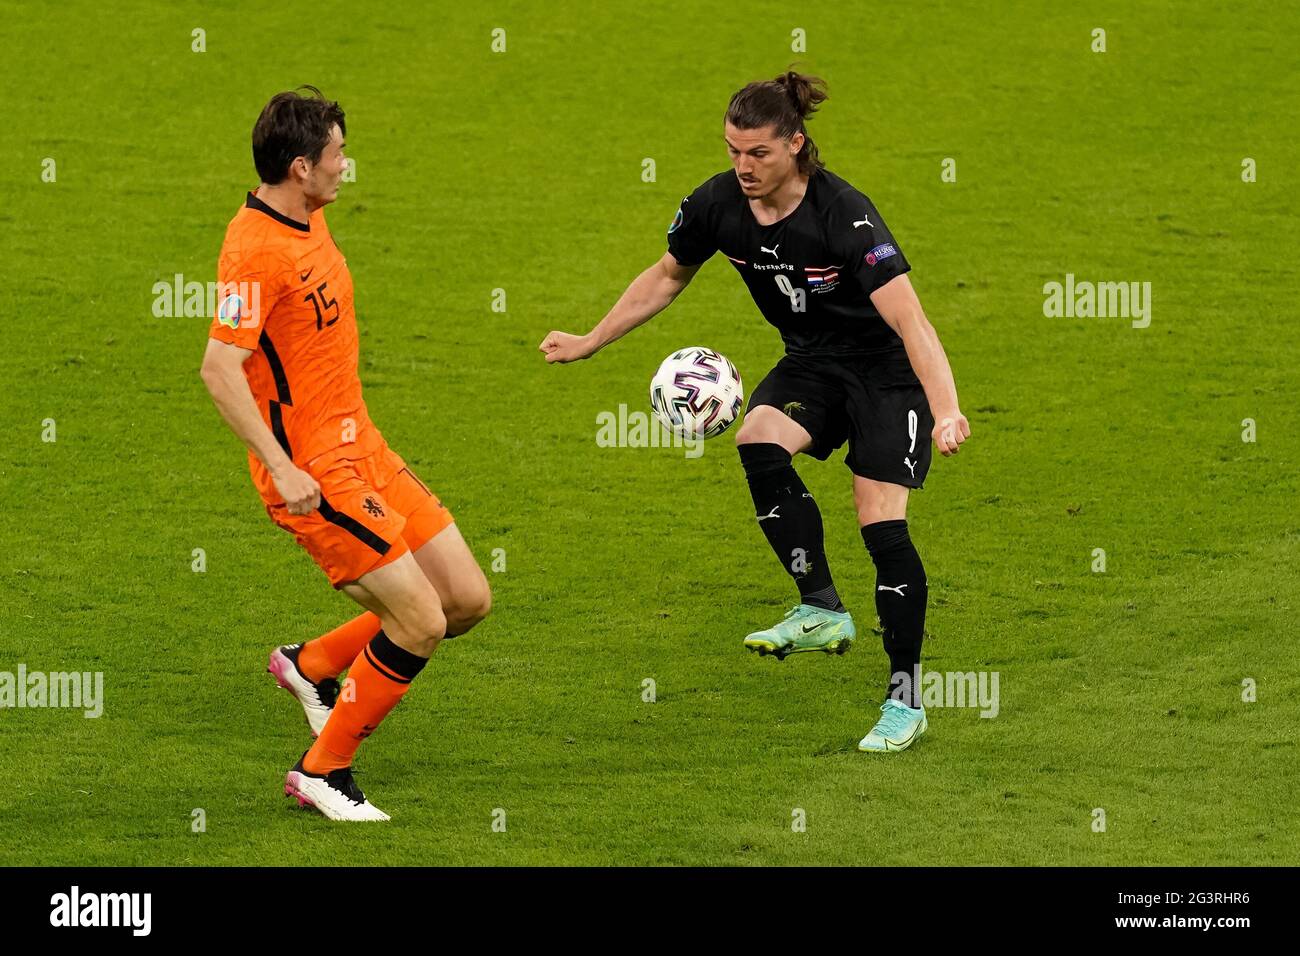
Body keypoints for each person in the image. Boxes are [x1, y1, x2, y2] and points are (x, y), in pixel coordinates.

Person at [539, 71, 969, 753]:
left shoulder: (845, 215)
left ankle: (905, 701)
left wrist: (945, 410)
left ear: (795, 144)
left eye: (758, 153)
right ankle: (821, 607)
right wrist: (593, 339)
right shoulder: (717, 204)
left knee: (880, 525)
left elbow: (911, 322)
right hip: (812, 362)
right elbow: (665, 276)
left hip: (887, 377)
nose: (742, 167)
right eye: (734, 151)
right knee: (759, 439)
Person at [201, 87, 490, 818]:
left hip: (365, 447)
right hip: (314, 472)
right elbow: (218, 368)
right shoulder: (255, 250)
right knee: (420, 621)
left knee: (464, 599)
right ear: (301, 167)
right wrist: (281, 462)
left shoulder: (308, 216)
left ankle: (312, 664)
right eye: (336, 155)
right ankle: (323, 772)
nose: (345, 167)